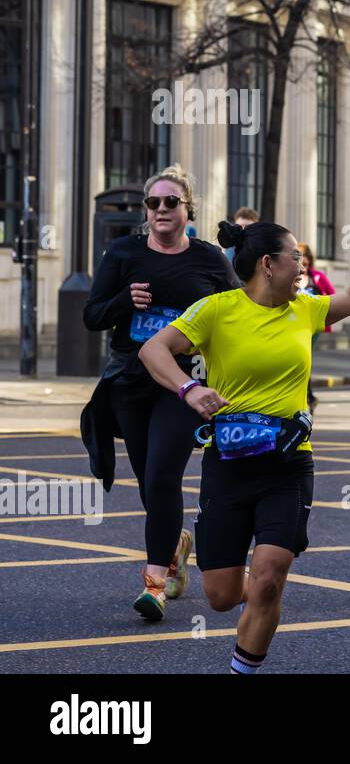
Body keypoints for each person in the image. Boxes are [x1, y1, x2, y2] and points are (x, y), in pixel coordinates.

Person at [139, 195, 350, 673]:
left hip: (288, 465)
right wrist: (189, 390)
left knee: (267, 579)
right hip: (228, 466)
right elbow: (154, 351)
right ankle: (195, 560)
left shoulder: (303, 310)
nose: (302, 266)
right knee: (221, 596)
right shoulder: (216, 311)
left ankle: (242, 668)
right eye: (296, 258)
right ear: (268, 264)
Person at [81, 165, 241, 621]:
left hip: (181, 386)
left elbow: (233, 318)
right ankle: (176, 545)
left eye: (172, 202)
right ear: (146, 211)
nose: (162, 210)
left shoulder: (210, 260)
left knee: (163, 475)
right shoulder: (122, 253)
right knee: (151, 483)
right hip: (131, 383)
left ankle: (154, 585)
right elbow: (93, 316)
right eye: (154, 203)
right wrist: (124, 301)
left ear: (188, 209)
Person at [297, 244, 336, 414]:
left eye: (305, 256)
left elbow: (333, 295)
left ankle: (307, 398)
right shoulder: (293, 277)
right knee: (301, 361)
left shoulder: (318, 277)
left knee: (303, 359)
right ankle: (309, 398)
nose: (303, 260)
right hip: (295, 324)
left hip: (313, 326)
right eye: (300, 256)